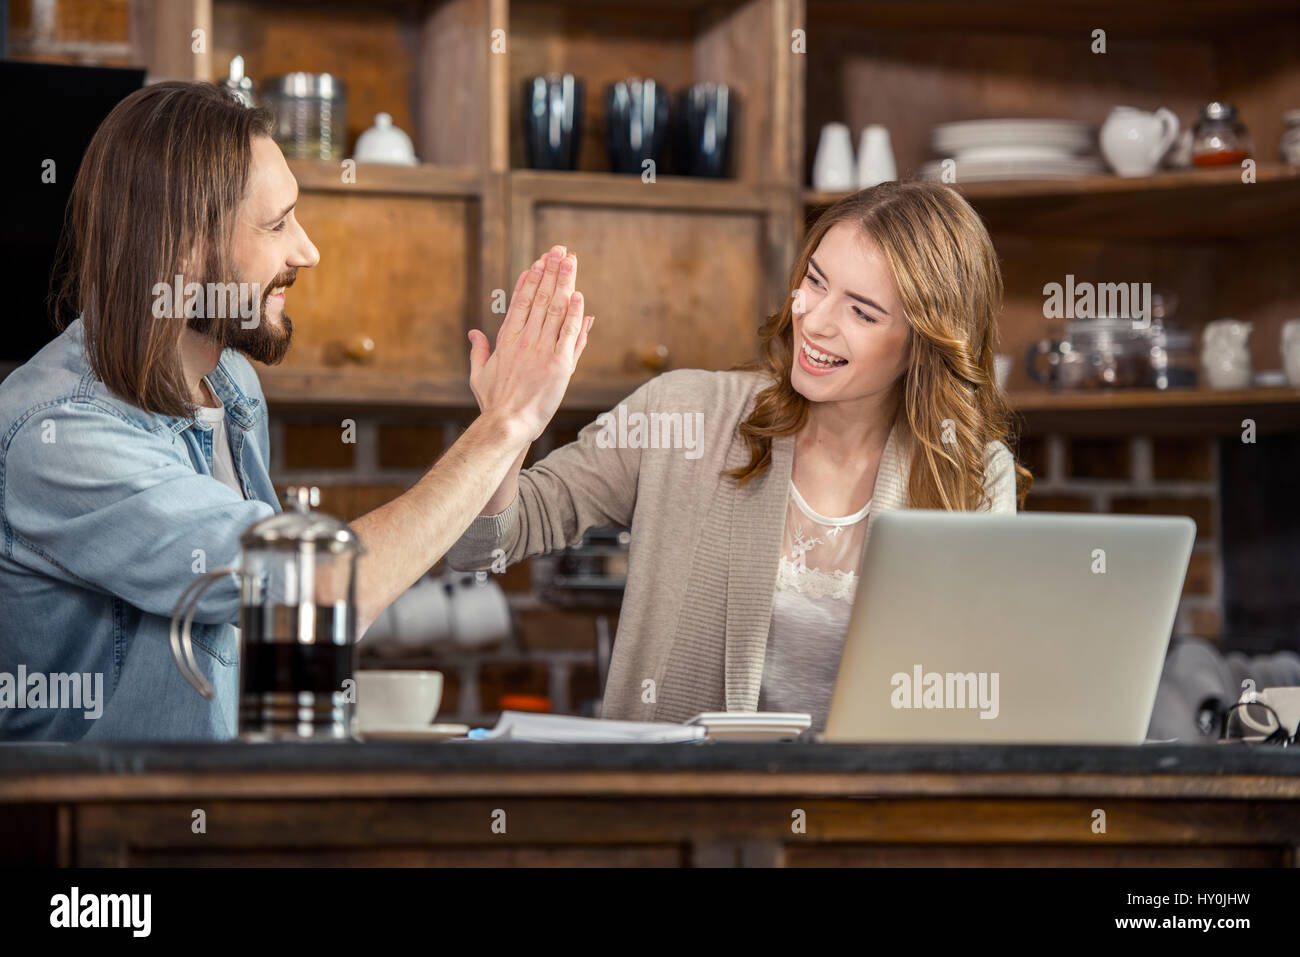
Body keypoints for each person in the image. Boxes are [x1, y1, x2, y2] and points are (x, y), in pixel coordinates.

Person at [0, 82, 592, 740]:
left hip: (213, 823)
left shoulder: (232, 384)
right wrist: (503, 426)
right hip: (90, 835)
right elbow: (318, 596)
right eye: (277, 224)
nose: (306, 250)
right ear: (183, 249)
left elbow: (267, 639)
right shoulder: (63, 435)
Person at [448, 181, 1034, 731]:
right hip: (684, 816)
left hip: (866, 823)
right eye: (817, 280)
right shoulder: (682, 414)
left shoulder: (973, 477)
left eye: (862, 311)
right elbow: (481, 545)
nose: (816, 319)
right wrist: (508, 425)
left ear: (923, 346)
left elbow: (977, 697)